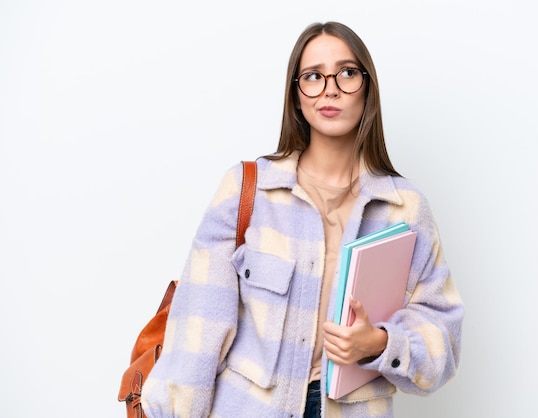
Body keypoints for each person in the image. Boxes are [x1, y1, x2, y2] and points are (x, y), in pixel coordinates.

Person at [141, 21, 464, 418]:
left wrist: (379, 344)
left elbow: (443, 343)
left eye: (346, 73)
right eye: (313, 76)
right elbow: (198, 331)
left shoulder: (405, 208)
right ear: (296, 96)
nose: (330, 88)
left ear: (368, 88)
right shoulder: (248, 191)